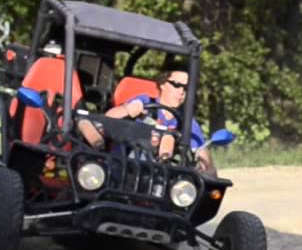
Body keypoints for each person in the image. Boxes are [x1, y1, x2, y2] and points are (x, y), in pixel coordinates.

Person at [77, 67, 216, 174]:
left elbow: (205, 159)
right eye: (176, 85)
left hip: (157, 175)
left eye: (186, 88)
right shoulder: (145, 101)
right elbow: (108, 117)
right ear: (163, 84)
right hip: (120, 164)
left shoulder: (188, 123)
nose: (181, 91)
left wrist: (205, 167)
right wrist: (127, 109)